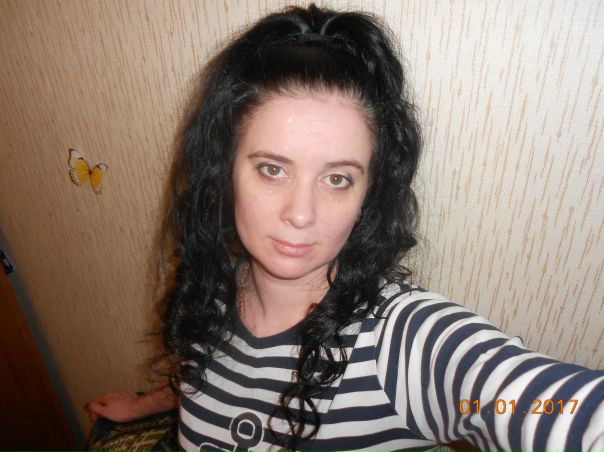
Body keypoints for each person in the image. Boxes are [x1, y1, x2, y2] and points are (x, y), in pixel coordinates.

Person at [87, 4, 604, 452]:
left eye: (337, 179)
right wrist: (147, 404)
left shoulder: (403, 345)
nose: (301, 213)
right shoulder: (214, 291)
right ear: (225, 169)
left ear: (368, 193)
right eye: (272, 169)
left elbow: (526, 401)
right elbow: (212, 374)